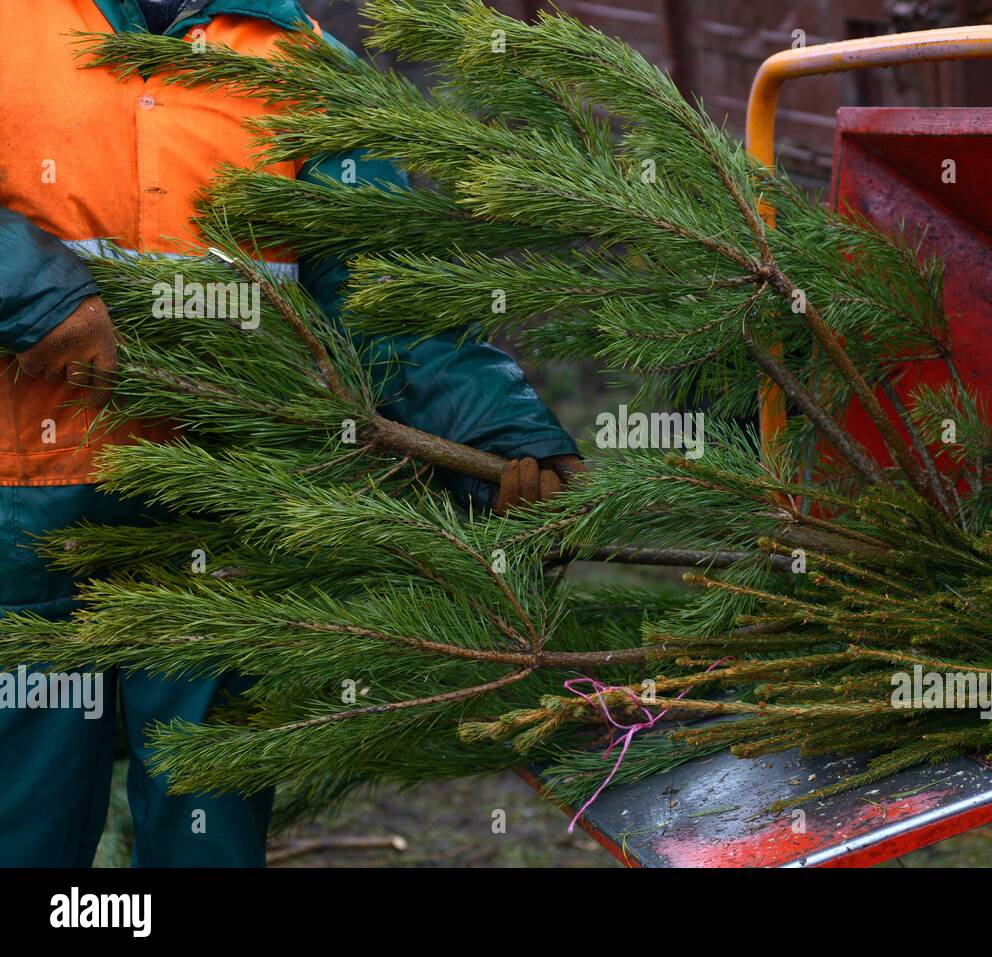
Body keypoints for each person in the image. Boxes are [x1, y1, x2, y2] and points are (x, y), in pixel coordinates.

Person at [0, 0, 580, 866]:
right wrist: (33, 290)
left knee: (211, 824)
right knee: (23, 823)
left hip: (221, 511)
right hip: (19, 503)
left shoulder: (299, 61)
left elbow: (380, 290)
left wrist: (500, 431)